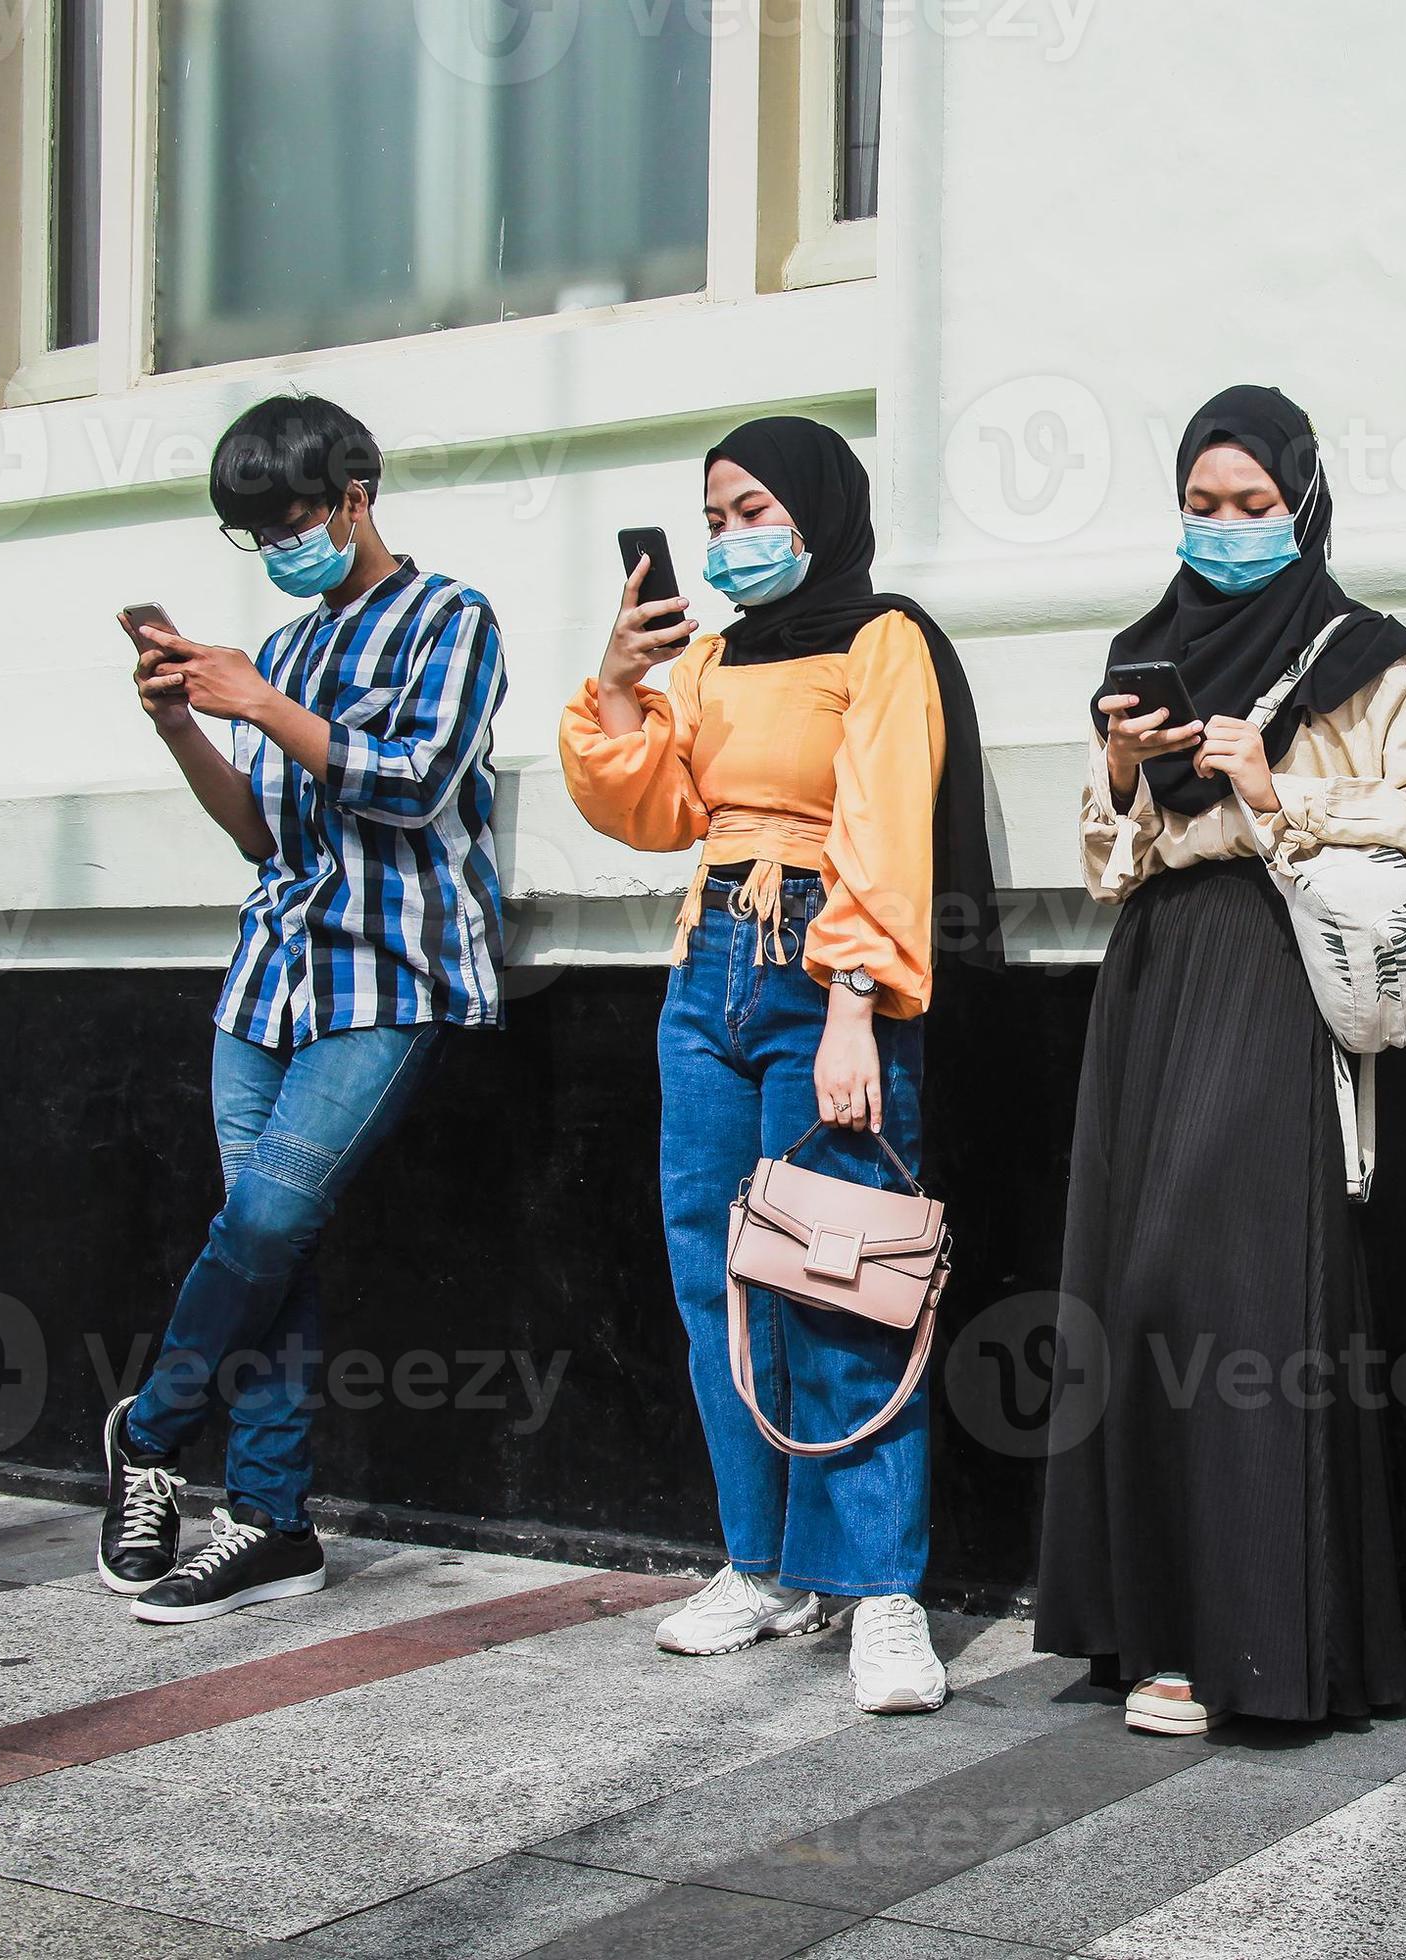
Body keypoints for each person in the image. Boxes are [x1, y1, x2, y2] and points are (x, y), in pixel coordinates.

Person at [1035, 385, 1406, 1736]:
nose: (1225, 531)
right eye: (1203, 507)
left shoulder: (1367, 655)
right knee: (1134, 1287)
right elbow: (1107, 868)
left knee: (1223, 1289)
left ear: (1304, 504)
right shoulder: (1146, 651)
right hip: (1154, 975)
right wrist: (1121, 772)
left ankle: (1253, 1649)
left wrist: (1281, 789)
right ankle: (1152, 1631)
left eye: (1254, 507)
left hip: (1272, 967)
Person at [558, 416, 1000, 1716]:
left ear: (816, 510)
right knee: (718, 1283)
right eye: (714, 518)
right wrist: (624, 686)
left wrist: (856, 1002)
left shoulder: (880, 640)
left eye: (753, 510)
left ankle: (880, 1593)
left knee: (846, 1276)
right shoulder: (707, 660)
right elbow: (650, 808)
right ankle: (760, 1565)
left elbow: (882, 817)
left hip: (825, 971)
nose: (729, 537)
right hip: (706, 971)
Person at [104, 393, 508, 1624]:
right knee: (273, 1248)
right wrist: (185, 725)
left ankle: (153, 1427)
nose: (283, 547)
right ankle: (273, 1522)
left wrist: (259, 704)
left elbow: (414, 782)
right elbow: (264, 834)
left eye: (293, 521)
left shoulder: (453, 618)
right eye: (257, 533)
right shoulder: (276, 653)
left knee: (268, 1219)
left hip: (394, 973)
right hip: (268, 976)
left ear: (354, 496)